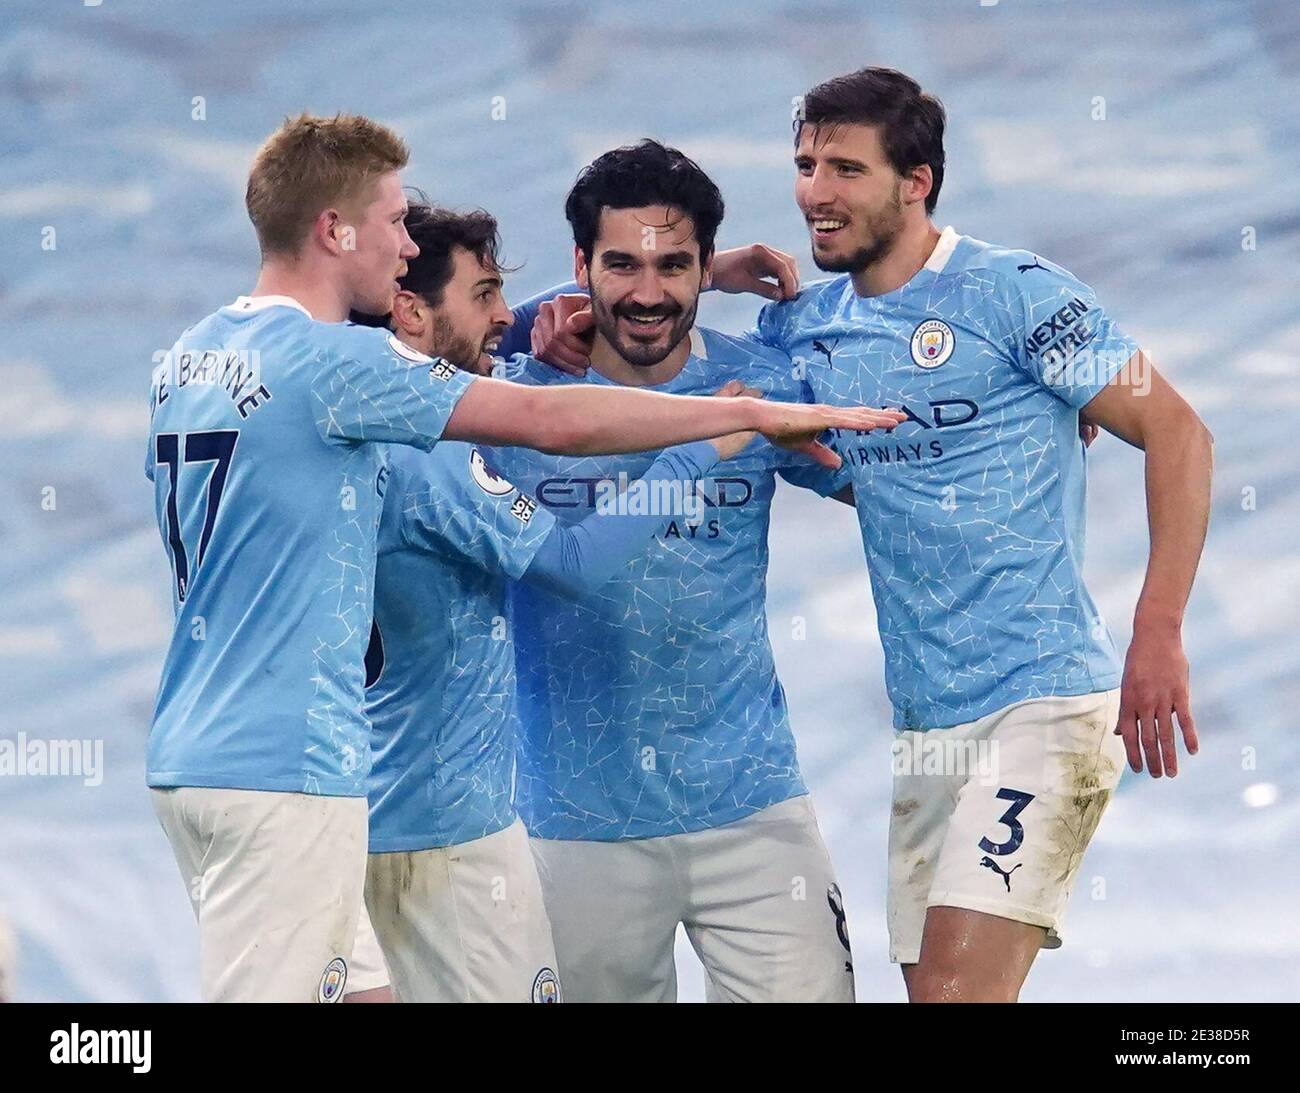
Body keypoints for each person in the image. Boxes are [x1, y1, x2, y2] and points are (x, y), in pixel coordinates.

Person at [144, 112, 894, 1003]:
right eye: (391, 222)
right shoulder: (392, 408)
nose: (401, 240)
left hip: (226, 757)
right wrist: (726, 429)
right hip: (391, 799)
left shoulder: (193, 355)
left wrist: (648, 300)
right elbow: (552, 451)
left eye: (672, 264)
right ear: (335, 232)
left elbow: (457, 340)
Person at [530, 68, 1213, 1002]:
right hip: (927, 727)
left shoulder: (1016, 295)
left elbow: (1179, 430)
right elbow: (512, 333)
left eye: (846, 167)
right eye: (806, 164)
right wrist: (586, 306)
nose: (816, 190)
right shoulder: (802, 339)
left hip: (1041, 699)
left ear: (917, 180)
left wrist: (1159, 626)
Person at [493, 140, 904, 1002]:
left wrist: (1038, 415)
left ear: (706, 266)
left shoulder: (757, 383)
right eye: (619, 266)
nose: (648, 293)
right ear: (580, 266)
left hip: (752, 809)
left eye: (676, 266)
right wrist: (543, 309)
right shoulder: (512, 399)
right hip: (573, 826)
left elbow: (896, 485)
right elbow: (386, 328)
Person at [351, 203, 765, 1001]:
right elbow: (573, 560)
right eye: (485, 295)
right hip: (446, 837)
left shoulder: (342, 411)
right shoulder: (434, 457)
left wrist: (702, 274)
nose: (506, 318)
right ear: (409, 310)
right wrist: (698, 450)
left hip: (362, 809)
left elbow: (504, 343)